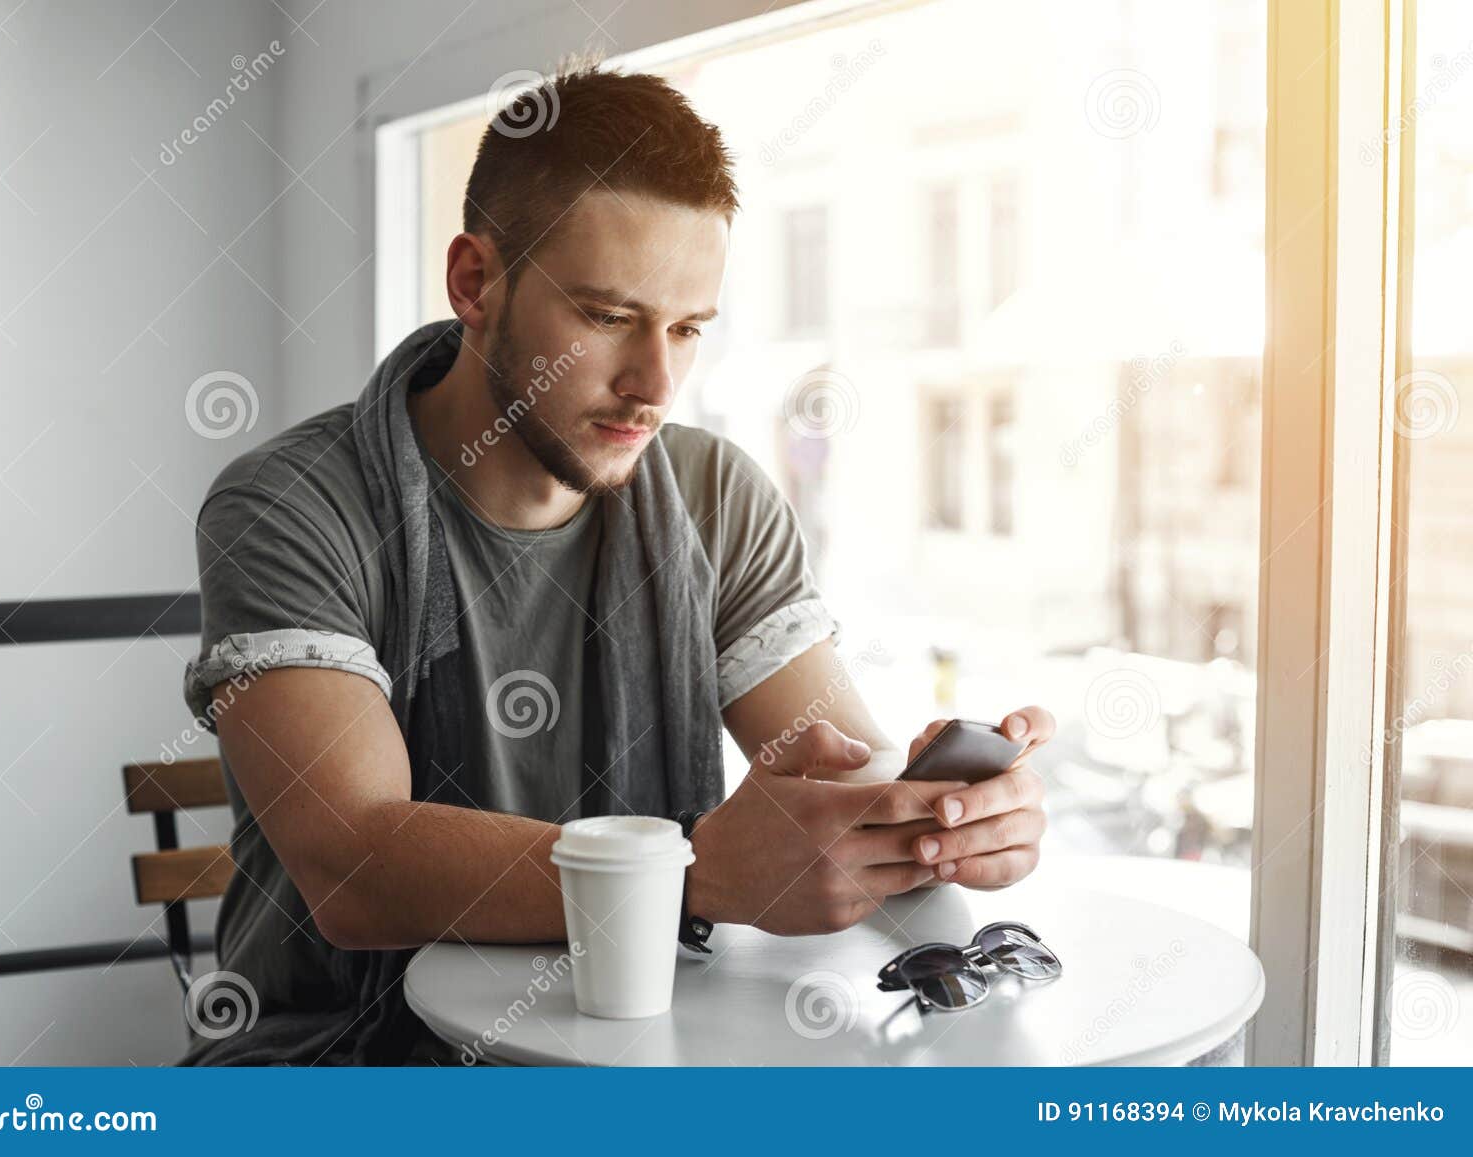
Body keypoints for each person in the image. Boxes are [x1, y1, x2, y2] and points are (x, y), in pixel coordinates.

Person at [179, 63, 1053, 1065]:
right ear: (474, 281)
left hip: (629, 1058)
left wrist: (941, 817)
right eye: (605, 317)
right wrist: (690, 871)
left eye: (686, 329)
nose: (655, 383)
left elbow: (838, 785)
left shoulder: (715, 494)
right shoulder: (291, 505)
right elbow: (351, 868)